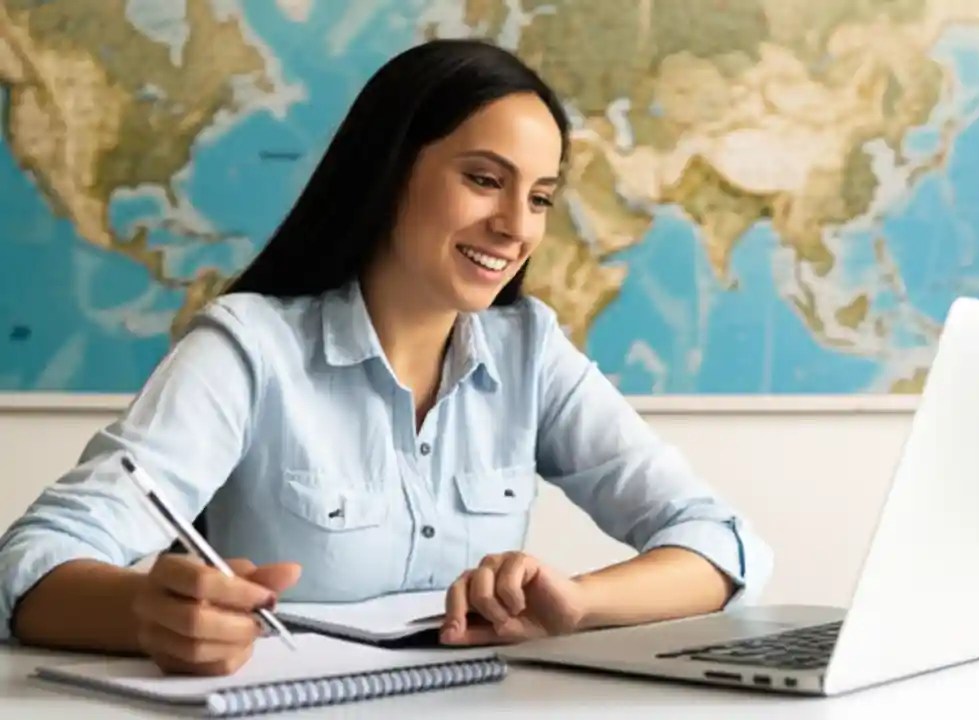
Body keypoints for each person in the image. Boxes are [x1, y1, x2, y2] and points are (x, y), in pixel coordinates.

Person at [0, 39, 772, 676]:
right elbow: (30, 563)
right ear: (390, 170)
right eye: (483, 180)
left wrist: (576, 600)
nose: (514, 226)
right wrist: (148, 614)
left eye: (539, 197)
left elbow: (722, 542)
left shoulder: (531, 350)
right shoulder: (248, 348)